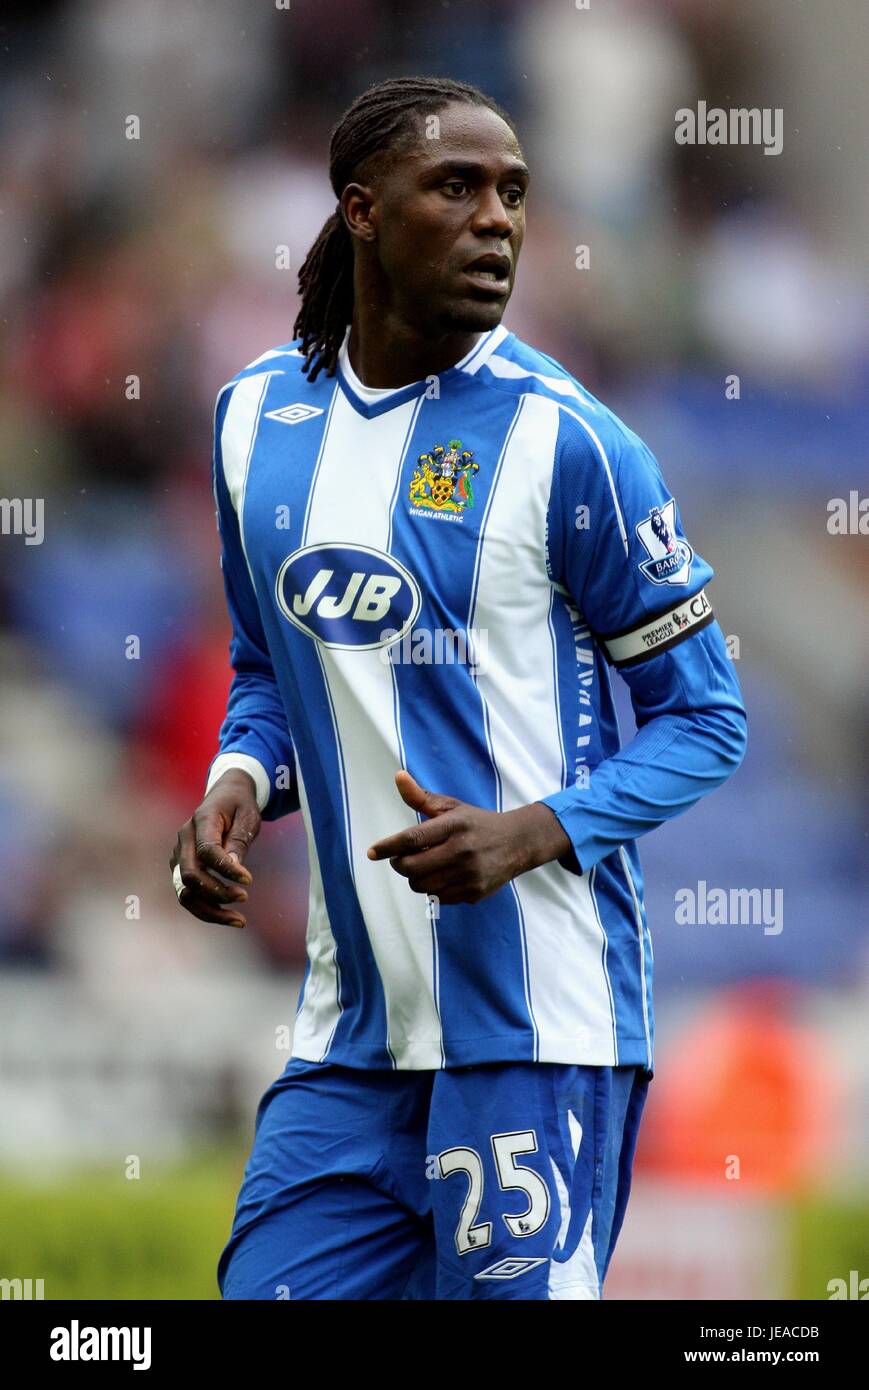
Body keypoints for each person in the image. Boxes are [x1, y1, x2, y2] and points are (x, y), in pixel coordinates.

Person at [170, 75, 747, 1300]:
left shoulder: (571, 441)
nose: (498, 220)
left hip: (537, 1037)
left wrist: (532, 833)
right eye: (457, 186)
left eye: (514, 194)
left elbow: (708, 716)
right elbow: (272, 663)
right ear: (362, 210)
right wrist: (236, 779)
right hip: (348, 1043)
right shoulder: (252, 421)